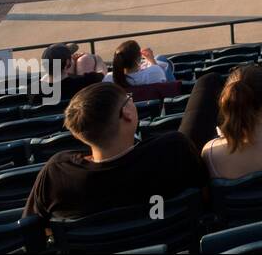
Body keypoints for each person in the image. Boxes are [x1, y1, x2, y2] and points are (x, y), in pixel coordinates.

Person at [22, 76, 216, 220]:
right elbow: (206, 197)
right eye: (129, 99)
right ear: (127, 113)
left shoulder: (56, 173)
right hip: (173, 239)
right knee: (209, 81)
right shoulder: (173, 148)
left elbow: (32, 227)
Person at [103, 40, 174, 87]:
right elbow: (162, 79)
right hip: (154, 106)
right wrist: (152, 60)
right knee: (161, 58)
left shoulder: (109, 79)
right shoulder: (154, 72)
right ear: (137, 60)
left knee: (160, 58)